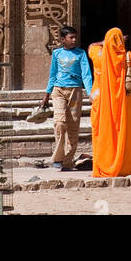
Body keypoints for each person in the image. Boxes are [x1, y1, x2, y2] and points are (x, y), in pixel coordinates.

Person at [87, 28, 131, 178]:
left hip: (101, 101)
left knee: (101, 132)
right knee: (122, 131)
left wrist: (103, 42)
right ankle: (123, 165)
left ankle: (104, 163)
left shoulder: (97, 55)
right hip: (123, 103)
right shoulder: (129, 58)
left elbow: (90, 46)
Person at [41, 24, 93, 170]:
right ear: (63, 39)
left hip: (75, 91)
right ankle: (58, 158)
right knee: (59, 122)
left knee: (73, 127)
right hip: (58, 90)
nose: (74, 40)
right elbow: (52, 75)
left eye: (75, 37)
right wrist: (46, 95)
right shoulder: (57, 54)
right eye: (71, 37)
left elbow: (86, 75)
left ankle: (68, 160)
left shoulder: (81, 54)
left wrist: (90, 93)